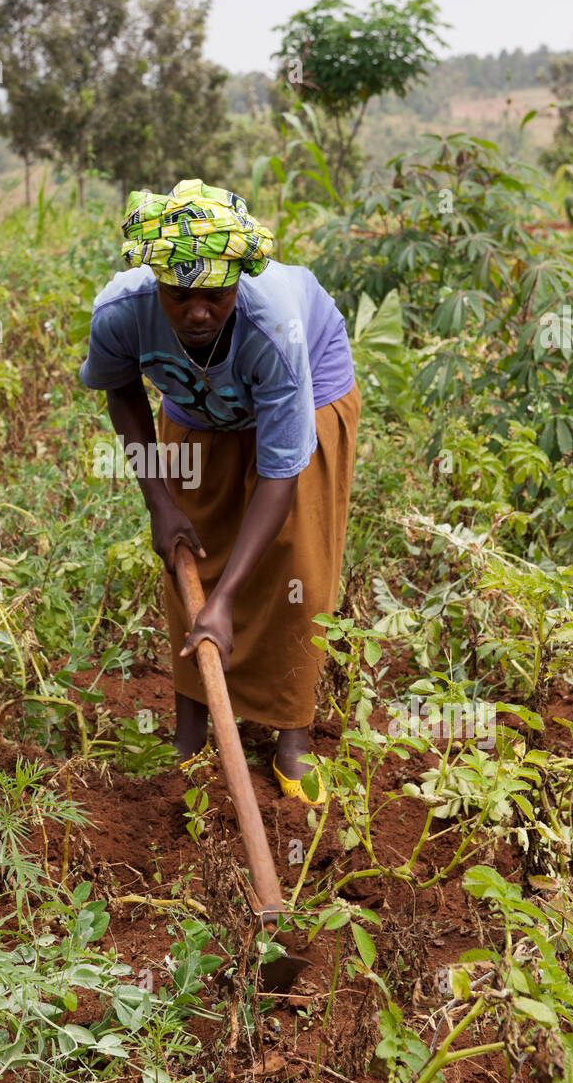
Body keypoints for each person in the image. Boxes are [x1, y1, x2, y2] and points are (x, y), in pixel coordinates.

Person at [79, 179, 361, 801]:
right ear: (157, 286)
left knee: (295, 559)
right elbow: (121, 389)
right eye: (181, 297)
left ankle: (291, 732)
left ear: (239, 282)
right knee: (190, 551)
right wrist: (161, 503)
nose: (198, 311)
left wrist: (228, 598)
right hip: (198, 406)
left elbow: (282, 472)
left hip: (306, 393)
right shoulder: (121, 314)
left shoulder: (275, 328)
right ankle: (192, 723)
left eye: (215, 295)